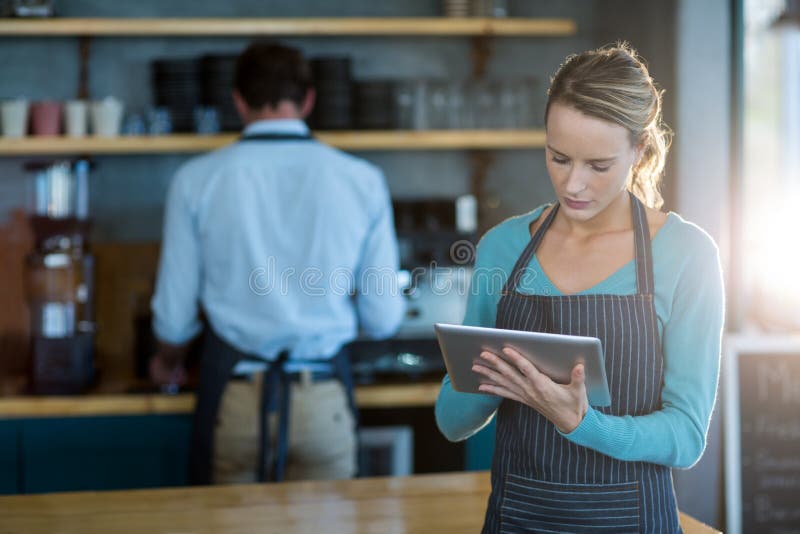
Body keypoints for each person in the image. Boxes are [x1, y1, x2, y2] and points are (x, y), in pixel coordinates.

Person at [435, 44, 724, 533]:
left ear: (638, 151)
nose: (573, 185)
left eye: (598, 165)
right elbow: (451, 420)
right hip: (516, 519)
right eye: (559, 157)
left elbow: (687, 435)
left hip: (632, 522)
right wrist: (492, 378)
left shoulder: (687, 255)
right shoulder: (503, 247)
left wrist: (583, 423)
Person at [149, 41, 405, 485]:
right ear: (308, 100)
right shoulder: (362, 180)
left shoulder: (195, 180)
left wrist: (167, 360)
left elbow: (173, 320)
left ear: (237, 100)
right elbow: (383, 319)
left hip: (232, 402)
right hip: (323, 402)